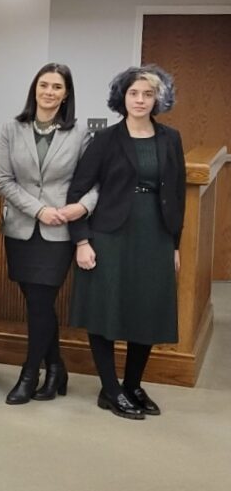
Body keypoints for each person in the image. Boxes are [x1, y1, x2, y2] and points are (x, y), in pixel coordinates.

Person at [67, 65, 186, 420]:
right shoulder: (105, 139)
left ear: (158, 99)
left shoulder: (170, 138)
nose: (140, 100)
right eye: (134, 93)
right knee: (105, 310)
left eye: (148, 94)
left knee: (146, 310)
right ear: (122, 97)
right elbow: (78, 190)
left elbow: (177, 194)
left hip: (156, 235)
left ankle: (133, 385)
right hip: (110, 235)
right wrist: (81, 241)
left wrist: (175, 245)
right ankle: (110, 389)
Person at [0, 63, 96, 405]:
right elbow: (3, 180)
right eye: (44, 85)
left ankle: (29, 373)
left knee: (40, 301)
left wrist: (81, 208)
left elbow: (94, 183)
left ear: (66, 94)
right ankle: (56, 367)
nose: (49, 92)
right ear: (34, 89)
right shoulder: (12, 128)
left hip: (59, 231)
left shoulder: (79, 134)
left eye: (57, 87)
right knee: (36, 303)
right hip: (21, 229)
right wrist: (38, 210)